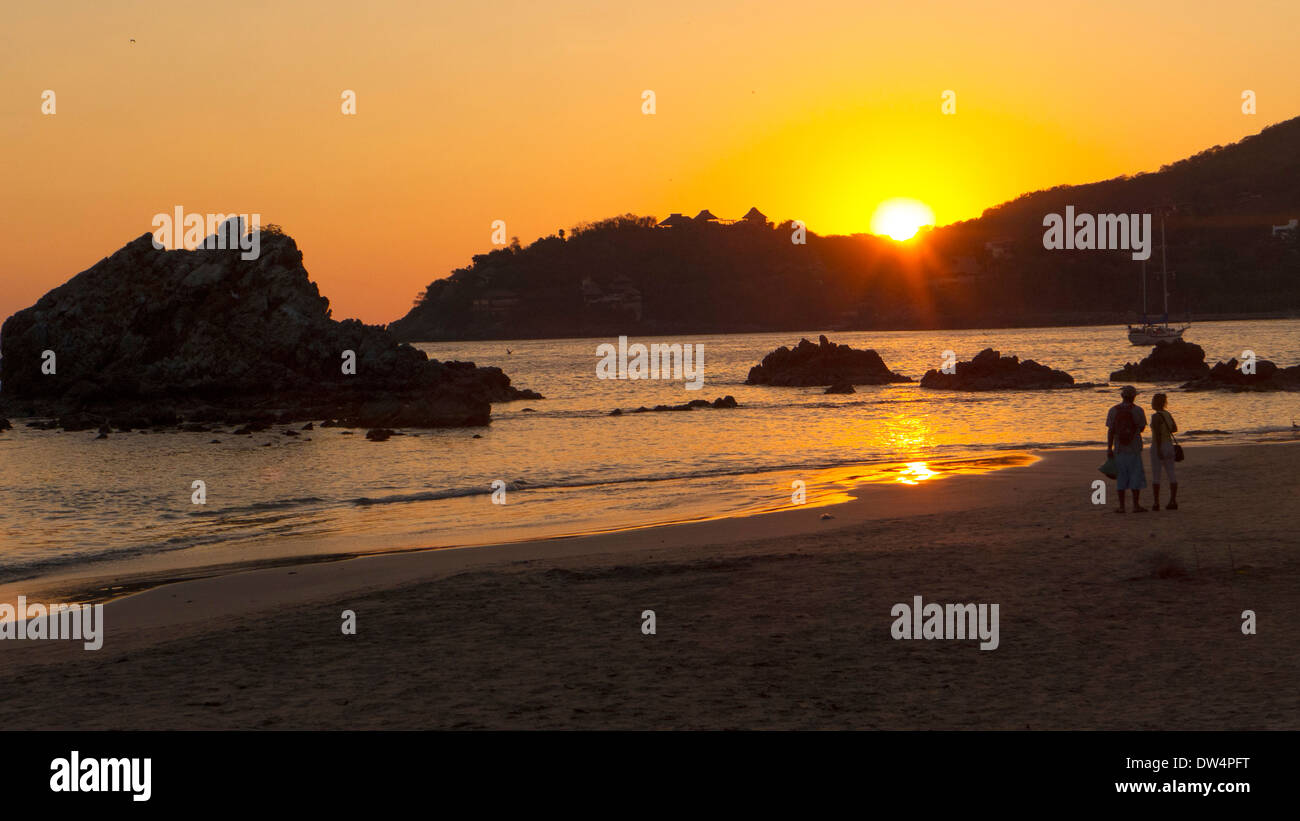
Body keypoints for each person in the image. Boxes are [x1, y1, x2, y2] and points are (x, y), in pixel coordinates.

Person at [1106, 385, 1148, 512]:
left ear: (1122, 396)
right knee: (1136, 475)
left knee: (1121, 477)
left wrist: (1109, 448)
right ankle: (1136, 505)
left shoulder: (1113, 410)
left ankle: (1122, 506)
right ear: (1134, 397)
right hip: (1134, 447)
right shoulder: (1138, 410)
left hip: (1119, 448)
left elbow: (1111, 431)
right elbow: (1141, 428)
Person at [1149, 393, 1179, 511]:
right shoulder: (1167, 414)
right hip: (1169, 445)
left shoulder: (1156, 416)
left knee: (1156, 475)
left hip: (1158, 445)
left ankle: (1156, 503)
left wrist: (1158, 449)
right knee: (1171, 474)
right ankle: (1173, 500)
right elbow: (1175, 429)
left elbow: (1157, 434)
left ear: (1156, 403)